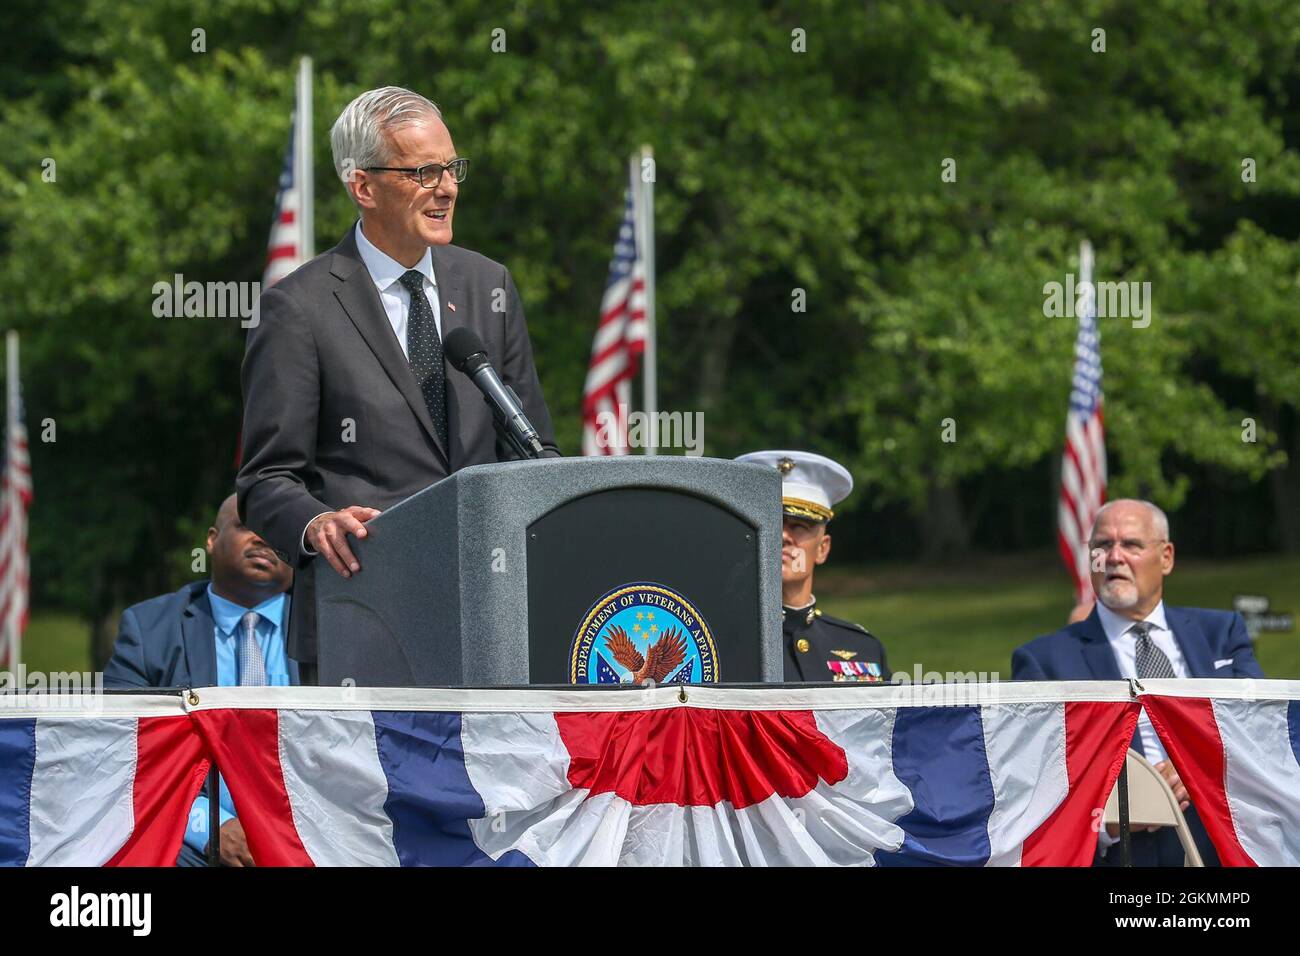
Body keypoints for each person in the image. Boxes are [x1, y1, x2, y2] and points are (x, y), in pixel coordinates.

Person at [237, 87, 559, 680]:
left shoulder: (489, 285)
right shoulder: (297, 310)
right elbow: (265, 479)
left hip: (491, 621)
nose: (448, 187)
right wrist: (315, 523)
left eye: (452, 167)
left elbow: (534, 451)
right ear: (364, 187)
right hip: (362, 619)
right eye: (423, 171)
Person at [1012, 498, 1264, 866]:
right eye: (1102, 545)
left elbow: (1262, 732)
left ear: (1166, 557)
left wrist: (1197, 763)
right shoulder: (1044, 661)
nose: (1114, 556)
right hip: (1124, 856)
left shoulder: (1222, 634)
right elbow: (1030, 787)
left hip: (1223, 848)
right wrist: (1112, 820)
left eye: (1131, 544)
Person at [103, 494, 295, 866]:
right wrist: (211, 828)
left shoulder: (333, 632)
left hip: (309, 836)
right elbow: (119, 753)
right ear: (211, 539)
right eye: (246, 526)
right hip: (190, 842)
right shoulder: (150, 631)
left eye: (276, 531)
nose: (263, 539)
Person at [736, 450, 890, 683]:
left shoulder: (863, 648)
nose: (783, 536)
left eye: (799, 525)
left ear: (823, 548)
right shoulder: (722, 642)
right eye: (771, 522)